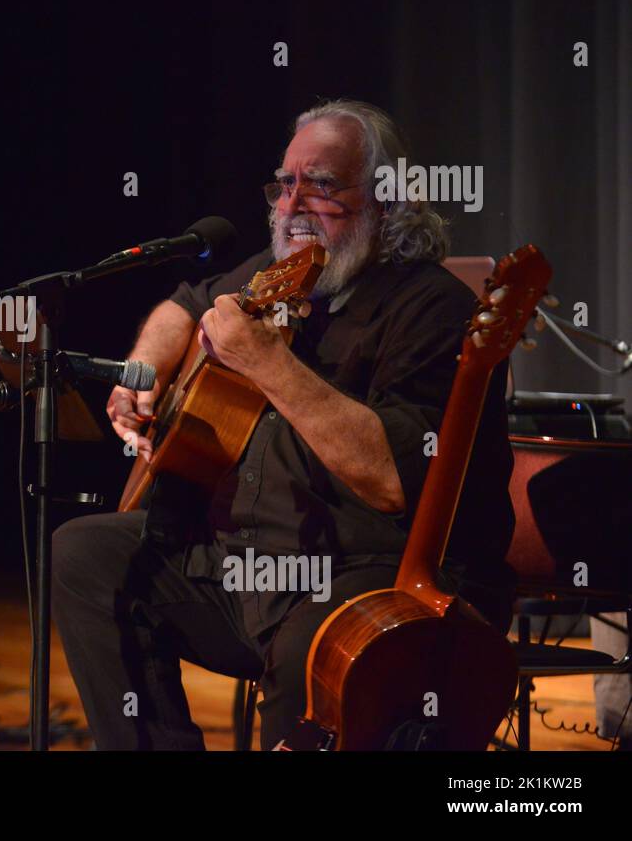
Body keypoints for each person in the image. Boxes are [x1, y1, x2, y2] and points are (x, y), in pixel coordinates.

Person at [52, 99, 516, 750]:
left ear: (386, 199)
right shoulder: (290, 276)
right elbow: (187, 304)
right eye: (285, 182)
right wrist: (145, 369)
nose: (292, 203)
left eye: (321, 184)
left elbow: (390, 480)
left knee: (318, 650)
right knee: (86, 556)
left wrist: (265, 361)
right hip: (251, 567)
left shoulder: (432, 307)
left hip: (366, 573)